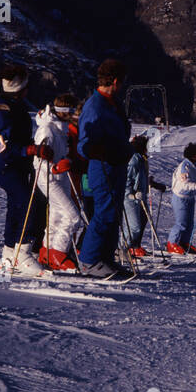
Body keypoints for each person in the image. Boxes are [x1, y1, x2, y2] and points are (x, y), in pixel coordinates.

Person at [0, 64, 46, 276]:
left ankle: (9, 252)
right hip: (8, 166)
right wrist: (28, 149)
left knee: (18, 206)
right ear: (20, 88)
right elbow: (2, 143)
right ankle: (23, 253)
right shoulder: (4, 110)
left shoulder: (15, 105)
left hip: (17, 165)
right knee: (28, 205)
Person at [76, 59, 133, 278]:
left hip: (116, 163)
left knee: (114, 213)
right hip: (103, 165)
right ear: (116, 81)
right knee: (104, 213)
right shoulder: (96, 105)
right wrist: (96, 149)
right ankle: (89, 260)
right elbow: (84, 143)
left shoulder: (112, 102)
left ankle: (106, 258)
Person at [33, 93, 82, 272]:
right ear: (64, 111)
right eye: (72, 111)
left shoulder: (60, 129)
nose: (74, 115)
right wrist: (54, 168)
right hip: (49, 179)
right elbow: (39, 160)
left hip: (60, 177)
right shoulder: (47, 130)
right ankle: (59, 252)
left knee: (57, 216)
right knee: (73, 216)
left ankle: (47, 251)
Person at [124, 134, 166, 257]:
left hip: (141, 196)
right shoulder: (134, 160)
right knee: (134, 226)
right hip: (131, 198)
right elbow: (127, 179)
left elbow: (140, 178)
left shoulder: (142, 159)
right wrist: (130, 194)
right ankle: (123, 249)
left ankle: (134, 246)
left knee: (143, 220)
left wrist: (152, 183)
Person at [167, 143, 196, 254]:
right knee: (181, 222)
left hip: (189, 197)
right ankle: (172, 243)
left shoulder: (192, 165)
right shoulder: (185, 166)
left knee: (189, 223)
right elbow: (185, 184)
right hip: (181, 197)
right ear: (193, 155)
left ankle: (184, 242)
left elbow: (192, 182)